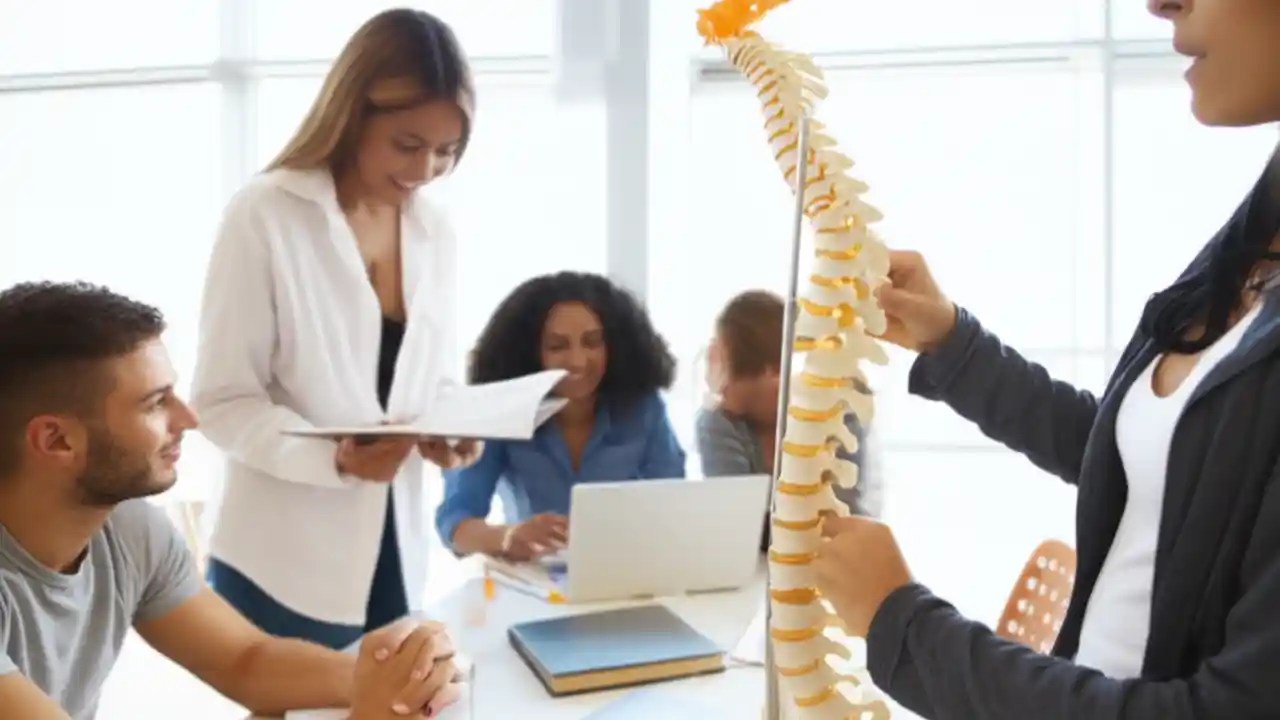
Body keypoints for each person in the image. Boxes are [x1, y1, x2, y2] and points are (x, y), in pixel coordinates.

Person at [812, 1, 1280, 718]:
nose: (1159, 2)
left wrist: (902, 623)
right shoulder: (1253, 238)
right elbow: (1146, 467)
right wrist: (954, 343)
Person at [0, 281, 461, 720]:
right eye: (155, 403)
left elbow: (246, 660)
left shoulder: (126, 527)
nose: (188, 418)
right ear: (56, 440)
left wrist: (394, 677)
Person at [189, 8, 481, 650]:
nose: (427, 168)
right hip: (281, 559)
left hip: (394, 552)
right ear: (352, 115)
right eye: (408, 145)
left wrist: (452, 432)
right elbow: (220, 401)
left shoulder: (435, 232)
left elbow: (427, 381)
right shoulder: (265, 214)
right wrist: (335, 458)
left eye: (446, 151)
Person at [435, 271, 687, 561]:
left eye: (592, 342)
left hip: (626, 576)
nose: (577, 361)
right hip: (532, 587)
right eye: (557, 347)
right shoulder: (500, 415)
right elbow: (455, 521)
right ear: (529, 353)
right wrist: (506, 537)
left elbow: (673, 503)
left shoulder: (643, 409)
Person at [695, 290, 883, 532]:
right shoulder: (719, 422)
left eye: (723, 363)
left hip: (837, 558)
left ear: (773, 372)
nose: (717, 385)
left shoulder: (841, 411)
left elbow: (842, 516)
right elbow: (737, 521)